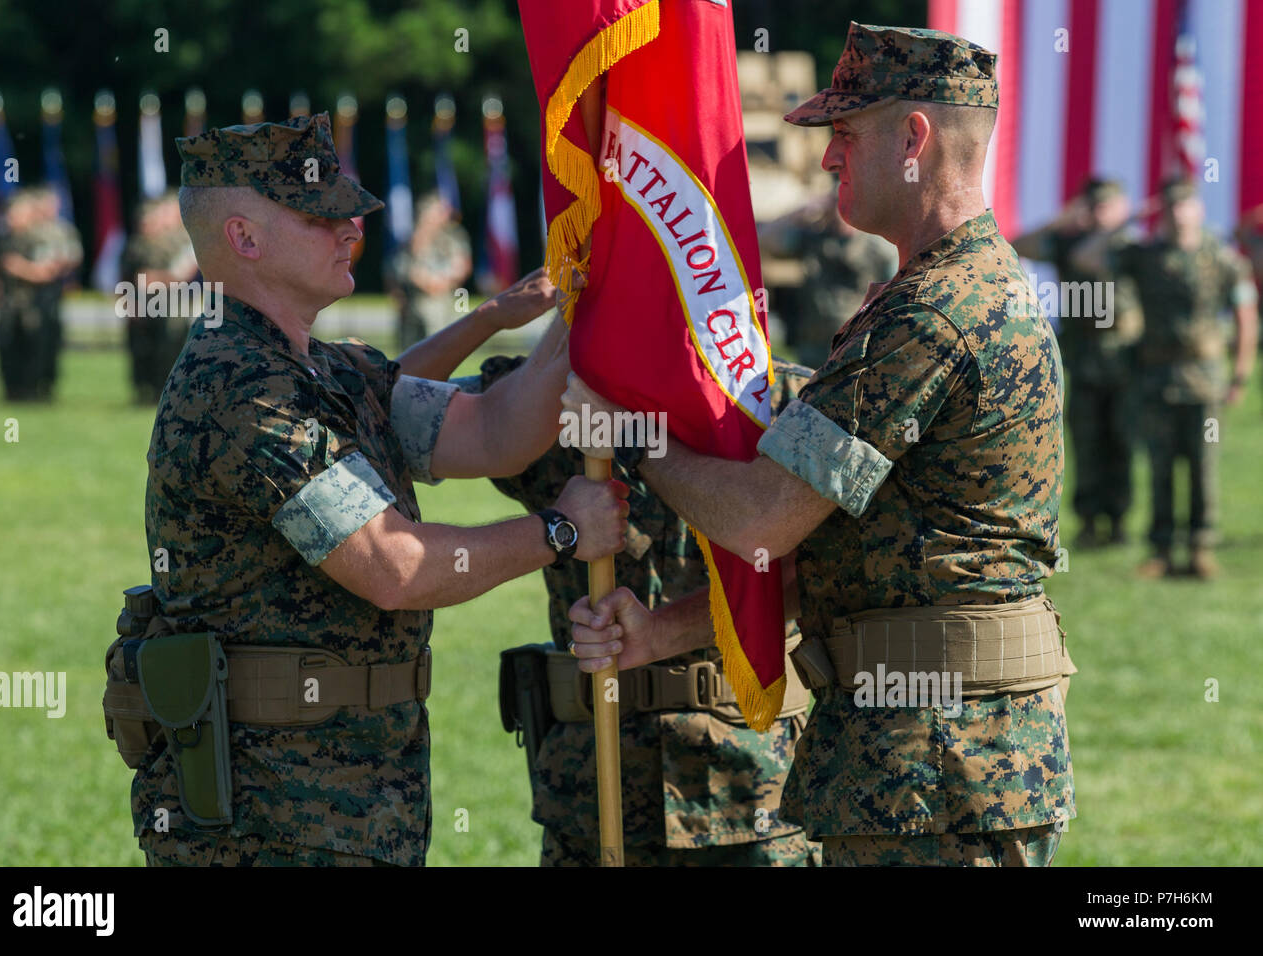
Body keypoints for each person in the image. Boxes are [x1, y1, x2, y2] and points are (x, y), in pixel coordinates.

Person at [564, 22, 1077, 867]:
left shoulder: (932, 314)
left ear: (913, 138)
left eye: (844, 133)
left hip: (935, 765)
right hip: (941, 751)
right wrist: (662, 634)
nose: (829, 158)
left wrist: (628, 433)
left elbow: (763, 521)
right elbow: (851, 553)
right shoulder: (961, 290)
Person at [132, 113, 629, 867]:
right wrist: (557, 532)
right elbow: (395, 568)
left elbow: (496, 429)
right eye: (319, 214)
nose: (351, 227)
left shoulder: (329, 371)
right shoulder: (239, 387)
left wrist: (586, 308)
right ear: (243, 239)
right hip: (268, 816)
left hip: (352, 800)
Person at [398, 309, 820, 866]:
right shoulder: (552, 406)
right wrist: (494, 314)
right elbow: (388, 408)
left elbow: (806, 572)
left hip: (754, 787)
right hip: (592, 786)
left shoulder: (784, 402)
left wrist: (667, 632)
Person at [1074, 178, 1258, 579]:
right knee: (1159, 466)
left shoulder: (1222, 258)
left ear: (1199, 209)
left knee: (1202, 464)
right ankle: (1160, 549)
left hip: (1206, 382)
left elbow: (1246, 314)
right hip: (1155, 380)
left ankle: (1200, 548)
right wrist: (1126, 222)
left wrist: (1240, 375)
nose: (1177, 214)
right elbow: (1087, 257)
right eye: (1170, 207)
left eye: (1185, 205)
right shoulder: (1143, 255)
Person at [1011, 178, 1143, 546]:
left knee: (1120, 439)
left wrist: (1117, 226)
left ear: (1121, 206)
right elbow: (1017, 245)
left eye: (1108, 205)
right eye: (1095, 205)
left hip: (1122, 357)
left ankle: (1118, 520)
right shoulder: (1068, 241)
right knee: (1085, 440)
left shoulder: (1131, 246)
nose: (1101, 212)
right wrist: (1062, 218)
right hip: (1083, 357)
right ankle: (1088, 520)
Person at [758, 179, 896, 369]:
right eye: (837, 204)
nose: (842, 213)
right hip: (812, 343)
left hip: (856, 344)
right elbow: (766, 240)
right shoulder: (813, 239)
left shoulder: (877, 248)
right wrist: (800, 213)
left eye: (849, 203)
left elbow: (893, 292)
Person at [0, 186, 81, 400]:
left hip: (37, 303)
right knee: (9, 347)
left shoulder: (41, 237)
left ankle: (36, 389)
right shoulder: (6, 239)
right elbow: (2, 266)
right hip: (12, 304)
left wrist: (28, 268)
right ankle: (14, 391)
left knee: (38, 347)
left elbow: (52, 265)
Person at [121, 191, 200, 405]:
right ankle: (144, 390)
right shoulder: (138, 244)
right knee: (142, 347)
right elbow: (127, 276)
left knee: (170, 346)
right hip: (144, 303)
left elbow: (182, 275)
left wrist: (154, 278)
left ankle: (167, 389)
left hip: (176, 304)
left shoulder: (186, 241)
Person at [388, 193, 472, 348]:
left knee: (437, 348)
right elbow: (396, 269)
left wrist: (442, 282)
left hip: (440, 302)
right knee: (409, 352)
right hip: (412, 301)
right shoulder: (410, 239)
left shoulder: (453, 237)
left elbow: (462, 265)